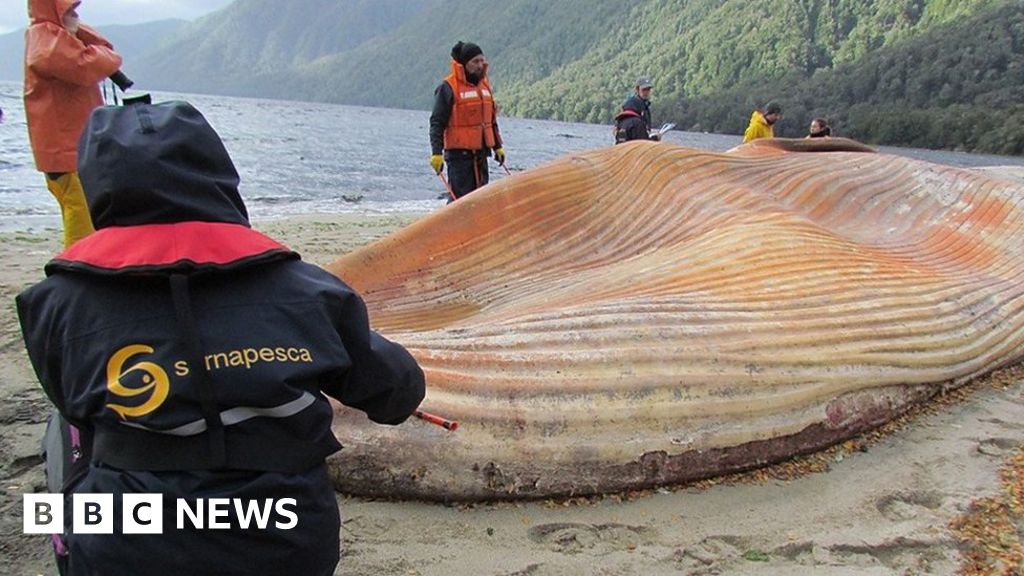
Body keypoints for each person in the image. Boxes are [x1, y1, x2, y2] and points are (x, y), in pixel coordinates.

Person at [16, 101, 427, 576]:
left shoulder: (51, 302)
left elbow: (72, 402)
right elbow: (396, 393)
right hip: (286, 539)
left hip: (129, 546)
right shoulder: (308, 290)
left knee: (61, 428)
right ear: (218, 175)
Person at [24, 0, 123, 248]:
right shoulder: (47, 41)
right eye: (68, 9)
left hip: (73, 149)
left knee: (84, 217)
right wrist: (107, 54)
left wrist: (78, 29)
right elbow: (91, 65)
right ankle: (77, 276)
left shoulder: (55, 37)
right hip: (65, 152)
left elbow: (103, 51)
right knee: (81, 224)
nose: (76, 14)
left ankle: (80, 273)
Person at [429, 41, 506, 201]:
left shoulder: (484, 87)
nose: (480, 65)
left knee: (480, 200)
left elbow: (491, 121)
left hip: (481, 156)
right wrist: (437, 153)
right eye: (475, 61)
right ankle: (453, 226)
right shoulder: (448, 87)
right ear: (464, 64)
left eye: (481, 60)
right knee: (460, 200)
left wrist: (498, 147)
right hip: (459, 158)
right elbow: (437, 122)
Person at [614, 76, 660, 144]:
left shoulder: (622, 118)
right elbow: (642, 143)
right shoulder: (637, 121)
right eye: (644, 89)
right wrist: (655, 139)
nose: (646, 92)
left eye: (648, 89)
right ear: (637, 89)